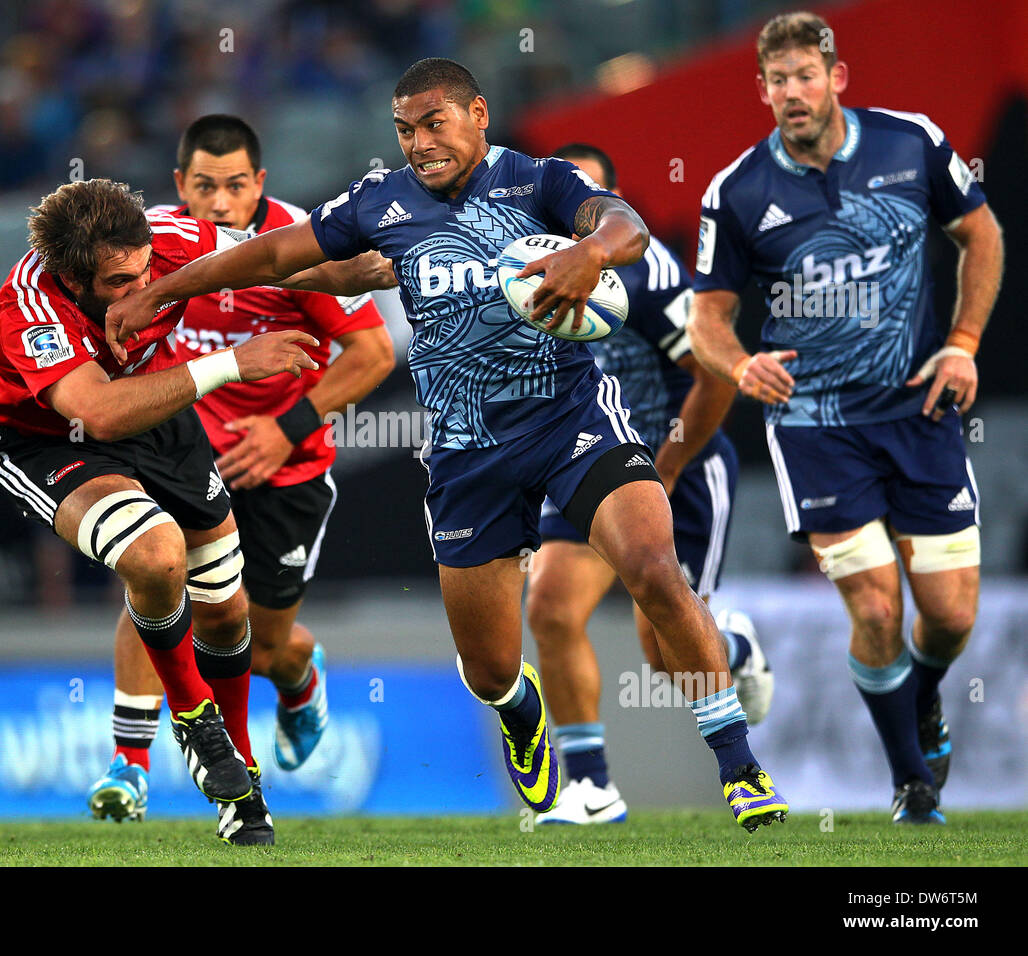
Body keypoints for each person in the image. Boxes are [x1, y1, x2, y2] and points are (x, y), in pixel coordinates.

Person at [106, 59, 789, 831]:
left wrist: (586, 252)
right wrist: (164, 290)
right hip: (466, 449)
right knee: (490, 667)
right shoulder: (377, 201)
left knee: (654, 568)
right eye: (405, 129)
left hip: (571, 420)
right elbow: (271, 254)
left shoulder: (538, 181)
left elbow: (624, 225)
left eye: (435, 123)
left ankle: (740, 768)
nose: (420, 143)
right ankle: (520, 709)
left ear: (478, 113)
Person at [0, 178, 386, 845]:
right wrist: (233, 363)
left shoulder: (167, 240)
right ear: (72, 278)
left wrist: (378, 266)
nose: (140, 289)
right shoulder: (29, 304)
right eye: (118, 283)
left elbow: (278, 259)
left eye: (143, 273)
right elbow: (98, 413)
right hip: (53, 440)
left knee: (224, 610)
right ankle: (195, 728)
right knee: (156, 557)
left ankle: (238, 780)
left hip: (162, 422)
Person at [687, 12, 1003, 823]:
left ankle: (922, 700)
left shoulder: (912, 145)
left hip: (921, 408)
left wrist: (963, 342)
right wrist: (738, 362)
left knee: (953, 615)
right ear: (760, 91)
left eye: (805, 76)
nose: (792, 93)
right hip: (816, 425)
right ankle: (912, 784)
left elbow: (982, 234)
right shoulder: (739, 191)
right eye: (777, 81)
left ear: (837, 78)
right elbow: (707, 321)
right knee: (873, 608)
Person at [87, 115, 394, 820]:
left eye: (233, 186)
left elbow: (374, 356)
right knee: (154, 576)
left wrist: (284, 431)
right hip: (184, 457)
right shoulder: (154, 243)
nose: (219, 203)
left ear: (259, 182)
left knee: (259, 643)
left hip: (284, 467)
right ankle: (129, 765)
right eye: (203, 187)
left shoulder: (297, 246)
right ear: (177, 185)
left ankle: (300, 680)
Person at [524, 144, 773, 826]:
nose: (581, 222)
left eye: (594, 200)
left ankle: (738, 657)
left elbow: (716, 373)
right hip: (588, 453)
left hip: (677, 461)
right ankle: (591, 787)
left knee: (665, 655)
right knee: (548, 606)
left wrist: (665, 467)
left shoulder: (649, 270)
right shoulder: (526, 261)